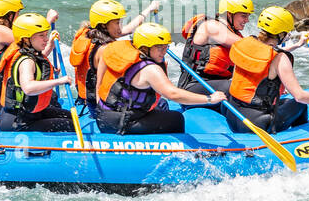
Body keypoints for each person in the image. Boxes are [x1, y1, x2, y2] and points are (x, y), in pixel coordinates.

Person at [222, 6, 309, 134]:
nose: (288, 37)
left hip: (233, 115)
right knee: (298, 104)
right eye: (287, 34)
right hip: (256, 125)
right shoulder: (280, 58)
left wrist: (297, 45)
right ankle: (300, 138)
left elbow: (265, 55)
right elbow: (300, 96)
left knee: (284, 101)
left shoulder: (245, 43)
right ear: (281, 34)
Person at [94, 23, 225, 134]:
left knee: (162, 105)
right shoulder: (150, 69)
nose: (164, 51)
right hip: (121, 122)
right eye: (159, 47)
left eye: (165, 47)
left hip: (104, 116)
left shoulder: (116, 51)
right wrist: (209, 99)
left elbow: (99, 83)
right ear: (144, 48)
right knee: (176, 119)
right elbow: (173, 94)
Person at [69, 0, 161, 108]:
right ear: (103, 25)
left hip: (85, 97)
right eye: (117, 23)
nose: (120, 27)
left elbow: (128, 29)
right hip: (98, 103)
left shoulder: (90, 34)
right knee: (160, 103)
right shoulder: (105, 50)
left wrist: (149, 9)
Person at [0, 12, 74, 133]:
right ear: (26, 39)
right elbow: (28, 88)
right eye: (41, 36)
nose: (46, 39)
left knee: (70, 117)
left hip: (30, 113)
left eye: (46, 35)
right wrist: (59, 81)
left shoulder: (31, 54)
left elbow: (40, 61)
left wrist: (51, 45)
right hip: (19, 120)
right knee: (71, 125)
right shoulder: (26, 61)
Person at [177, 0, 253, 93]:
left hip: (214, 87)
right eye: (243, 16)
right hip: (193, 86)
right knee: (236, 87)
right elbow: (249, 46)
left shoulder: (233, 33)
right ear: (229, 14)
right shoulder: (211, 27)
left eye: (248, 16)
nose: (247, 20)